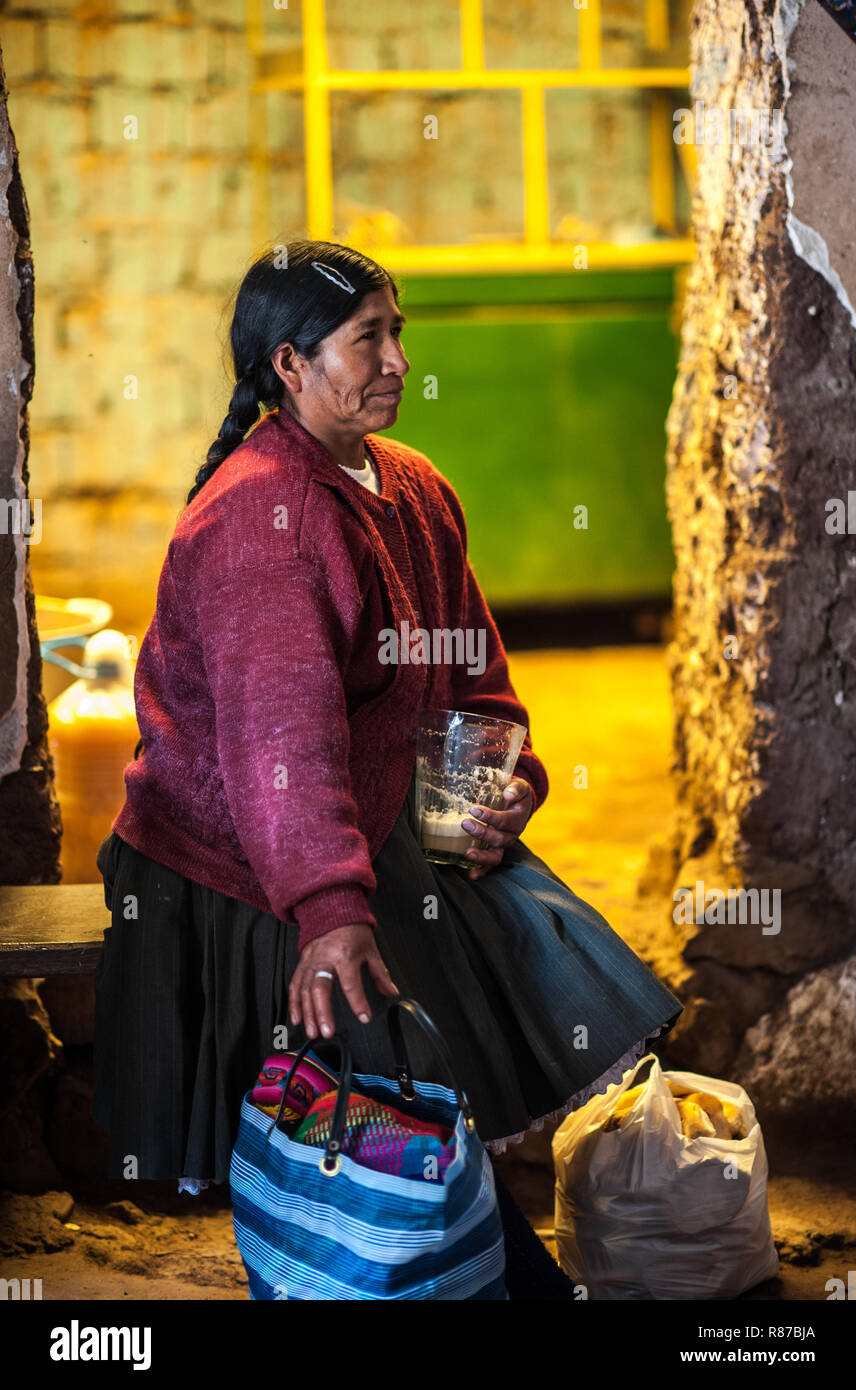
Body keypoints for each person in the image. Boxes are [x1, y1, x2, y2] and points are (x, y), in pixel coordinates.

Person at [92, 238, 683, 1300]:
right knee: (380, 1043)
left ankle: (464, 1241)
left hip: (362, 824)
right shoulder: (263, 523)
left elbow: (474, 671)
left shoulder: (411, 490)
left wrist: (508, 779)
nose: (400, 359)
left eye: (397, 331)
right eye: (369, 338)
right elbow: (281, 748)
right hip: (243, 864)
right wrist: (327, 907)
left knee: (525, 931)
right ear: (289, 366)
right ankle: (463, 1262)